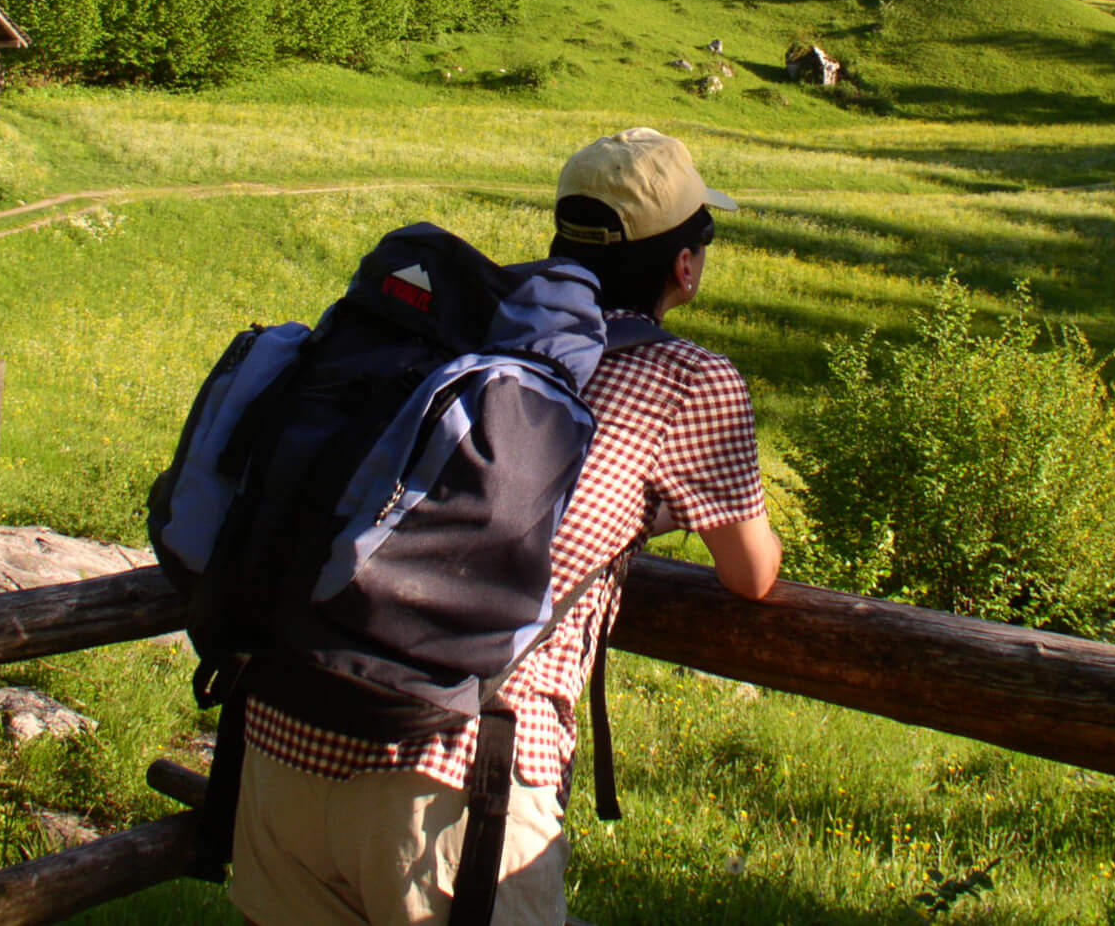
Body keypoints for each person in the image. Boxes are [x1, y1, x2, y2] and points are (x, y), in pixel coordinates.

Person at [230, 126, 783, 925]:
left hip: (285, 737)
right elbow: (751, 570)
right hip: (453, 786)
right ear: (684, 265)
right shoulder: (689, 380)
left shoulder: (469, 328)